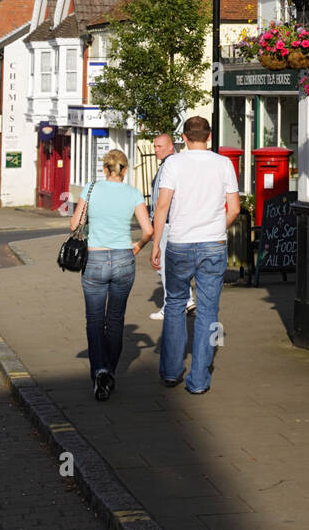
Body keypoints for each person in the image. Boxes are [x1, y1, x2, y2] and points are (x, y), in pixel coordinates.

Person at [151, 115, 239, 395]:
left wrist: (155, 242)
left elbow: (162, 206)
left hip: (179, 242)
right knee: (208, 310)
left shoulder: (174, 164)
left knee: (175, 304)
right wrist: (217, 229)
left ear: (184, 139)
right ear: (210, 136)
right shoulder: (224, 163)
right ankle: (199, 379)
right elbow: (234, 209)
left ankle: (171, 371)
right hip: (213, 243)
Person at [69, 147, 152, 402]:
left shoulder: (91, 189)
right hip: (123, 259)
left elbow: (74, 224)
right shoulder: (133, 193)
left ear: (105, 169)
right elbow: (148, 230)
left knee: (94, 320)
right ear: (125, 171)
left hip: (94, 259)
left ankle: (100, 371)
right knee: (115, 319)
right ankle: (110, 372)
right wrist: (136, 247)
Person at [148, 133, 195, 320]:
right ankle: (188, 299)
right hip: (173, 222)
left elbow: (162, 202)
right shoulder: (172, 165)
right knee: (176, 266)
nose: (155, 150)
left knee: (166, 267)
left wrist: (156, 225)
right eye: (154, 146)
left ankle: (169, 306)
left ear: (170, 147)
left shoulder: (169, 166)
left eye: (159, 146)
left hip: (167, 223)